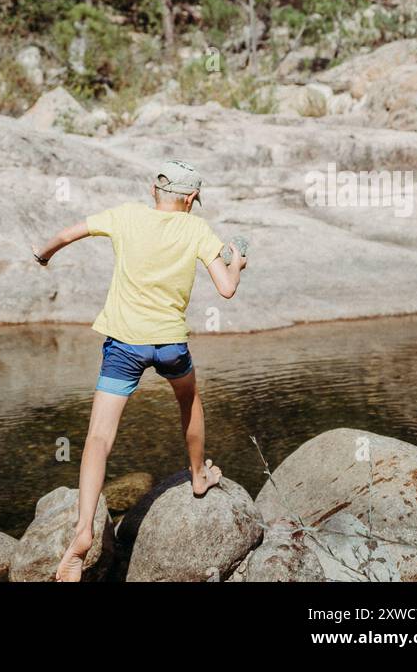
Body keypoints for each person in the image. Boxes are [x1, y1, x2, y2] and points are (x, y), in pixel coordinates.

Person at [32, 158, 246, 583]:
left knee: (97, 437)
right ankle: (199, 475)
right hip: (169, 346)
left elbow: (69, 233)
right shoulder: (198, 230)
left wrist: (44, 254)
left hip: (123, 346)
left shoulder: (126, 216)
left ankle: (81, 534)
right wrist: (236, 263)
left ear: (154, 190)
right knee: (189, 401)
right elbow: (226, 289)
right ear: (191, 199)